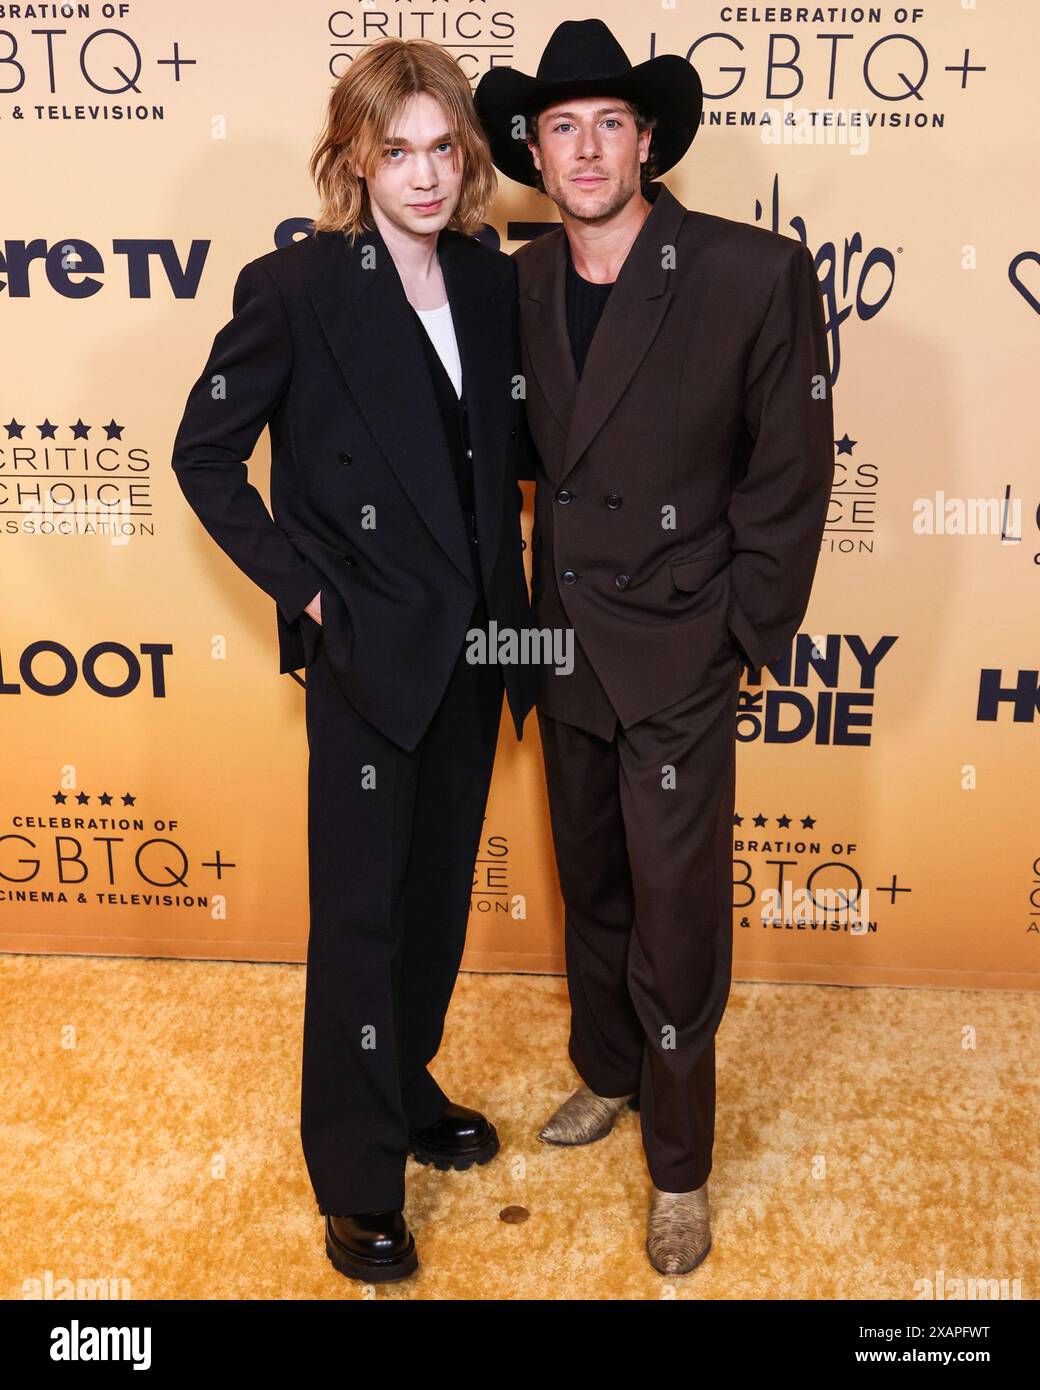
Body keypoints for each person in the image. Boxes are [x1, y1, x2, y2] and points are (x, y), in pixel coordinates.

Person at [172, 37, 535, 1283]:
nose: (424, 176)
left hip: (478, 645)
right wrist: (311, 595)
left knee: (435, 904)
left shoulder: (492, 286)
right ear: (354, 160)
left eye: (445, 150)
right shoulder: (296, 288)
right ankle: (355, 1172)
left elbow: (508, 461)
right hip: (371, 653)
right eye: (399, 152)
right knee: (364, 922)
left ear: (468, 159)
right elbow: (203, 456)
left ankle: (405, 1083)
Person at [476, 18, 834, 1275]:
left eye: (606, 124)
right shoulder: (513, 279)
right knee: (595, 885)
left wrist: (738, 630)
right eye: (559, 126)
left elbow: (789, 472)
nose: (583, 147)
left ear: (647, 140)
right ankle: (608, 1073)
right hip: (561, 633)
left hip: (679, 646)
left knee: (676, 913)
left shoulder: (749, 272)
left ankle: (677, 1166)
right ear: (533, 148)